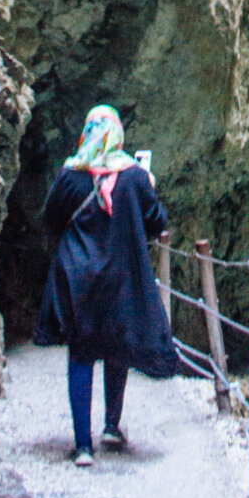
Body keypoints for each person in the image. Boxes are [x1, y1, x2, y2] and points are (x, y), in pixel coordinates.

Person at [33, 103, 181, 466]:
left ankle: (83, 447)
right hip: (120, 278)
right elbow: (156, 223)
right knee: (117, 347)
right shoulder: (133, 177)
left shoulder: (70, 175)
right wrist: (149, 186)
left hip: (77, 276)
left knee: (81, 353)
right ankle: (111, 426)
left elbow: (50, 221)